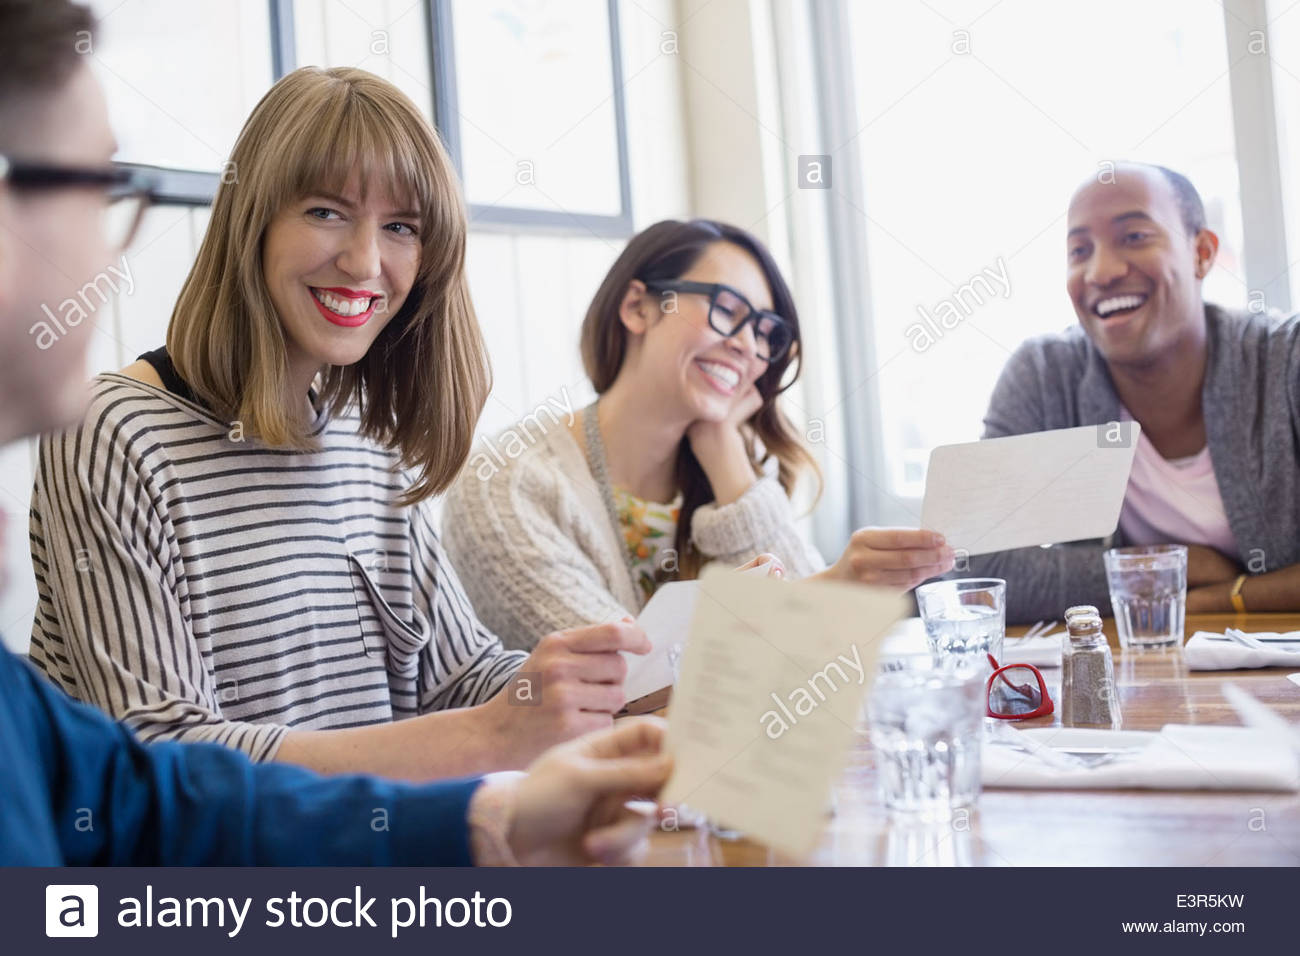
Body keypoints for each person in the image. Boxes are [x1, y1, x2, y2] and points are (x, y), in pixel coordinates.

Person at [0, 0, 670, 867]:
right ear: (252, 225)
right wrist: (491, 737)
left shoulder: (366, 437)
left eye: (401, 227)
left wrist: (626, 686)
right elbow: (161, 762)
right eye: (325, 212)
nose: (365, 262)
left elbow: (458, 680)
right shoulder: (115, 430)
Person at [443, 219, 955, 649]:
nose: (748, 347)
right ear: (638, 307)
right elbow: (624, 685)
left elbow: (819, 662)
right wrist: (835, 585)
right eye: (728, 310)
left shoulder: (730, 467)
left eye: (764, 332)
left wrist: (725, 453)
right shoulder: (505, 487)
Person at [965, 162, 1300, 623]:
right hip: (1138, 679)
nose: (1101, 271)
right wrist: (1179, 565)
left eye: (1135, 237)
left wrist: (1230, 595)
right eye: (1080, 250)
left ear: (1201, 253)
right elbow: (984, 572)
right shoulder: (1045, 375)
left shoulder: (1285, 362)